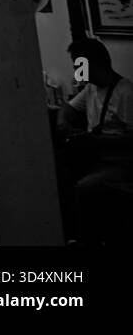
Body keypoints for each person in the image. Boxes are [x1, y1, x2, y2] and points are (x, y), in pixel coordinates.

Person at [57, 38, 133, 244]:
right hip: (97, 158)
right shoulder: (91, 89)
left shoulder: (125, 92)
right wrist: (64, 121)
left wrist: (96, 141)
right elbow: (68, 108)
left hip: (121, 163)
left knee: (85, 188)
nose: (76, 71)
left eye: (78, 65)